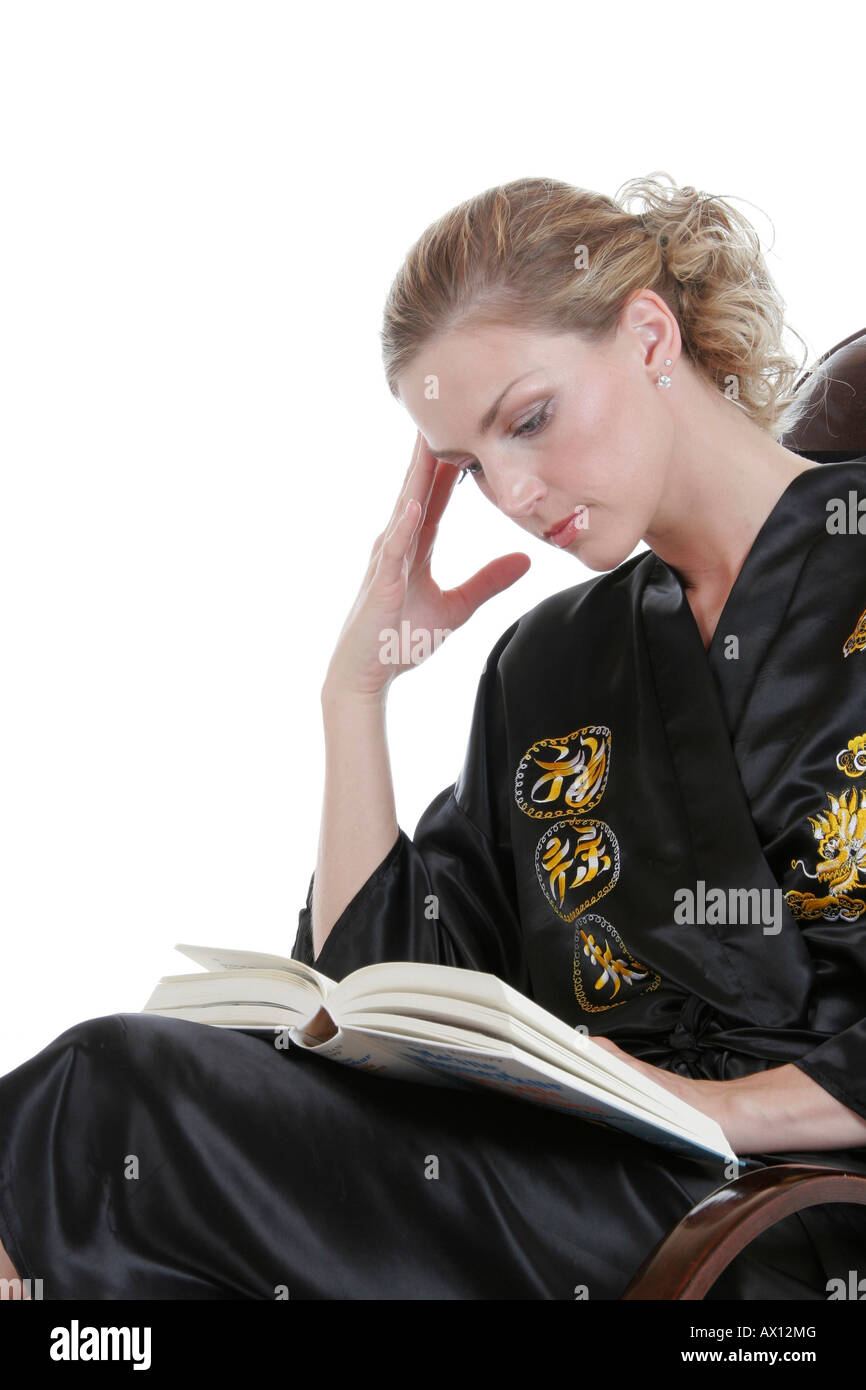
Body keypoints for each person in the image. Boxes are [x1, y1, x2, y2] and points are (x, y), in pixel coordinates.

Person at [2, 173, 866, 1301]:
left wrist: (721, 1108)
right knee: (127, 1166)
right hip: (566, 1180)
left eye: (528, 419)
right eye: (468, 463)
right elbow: (380, 996)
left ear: (647, 333)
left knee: (108, 1095)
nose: (510, 489)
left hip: (775, 1215)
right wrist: (354, 696)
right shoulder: (551, 659)